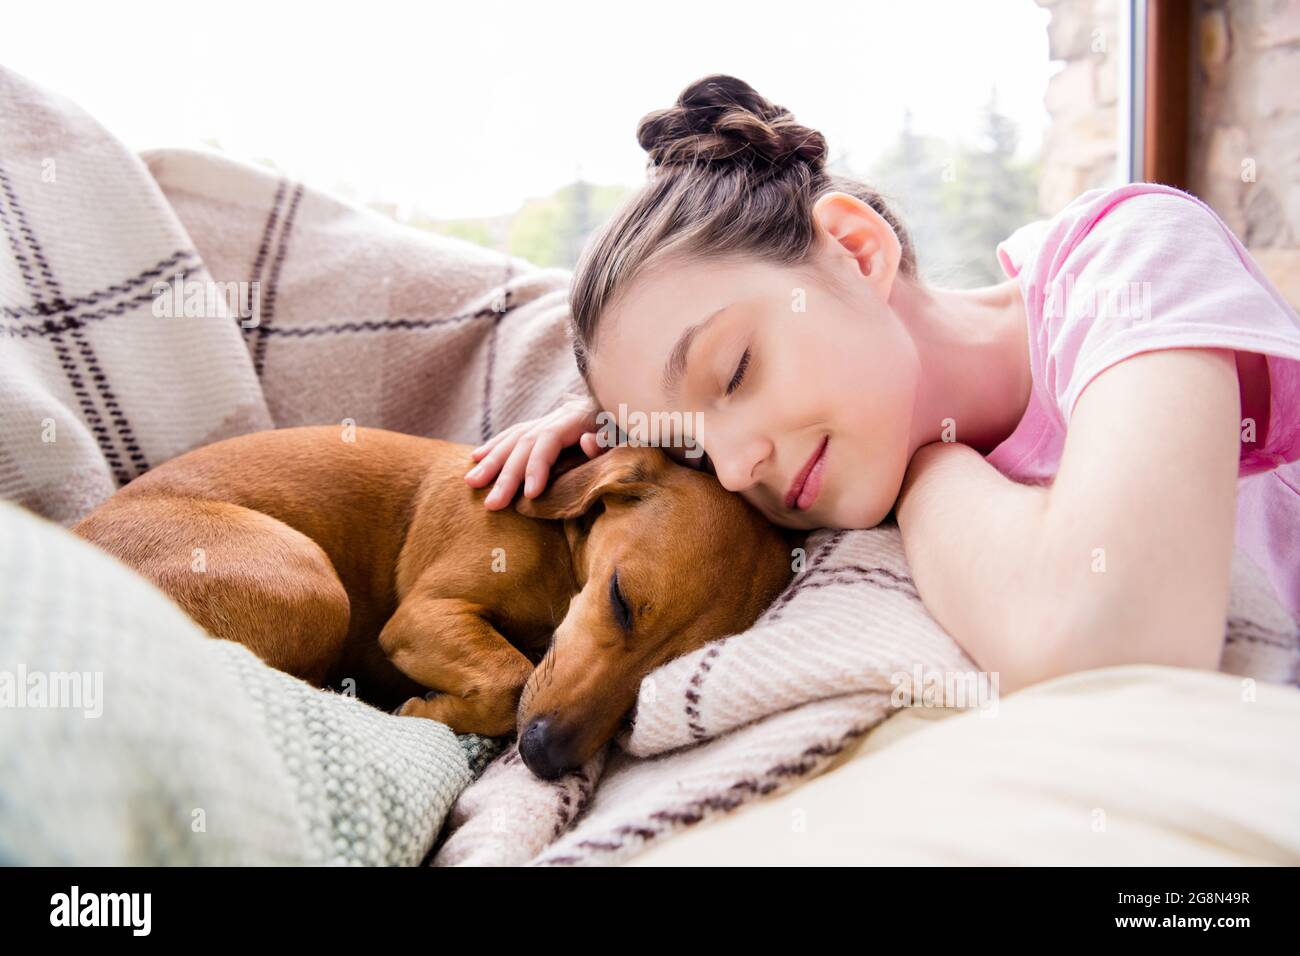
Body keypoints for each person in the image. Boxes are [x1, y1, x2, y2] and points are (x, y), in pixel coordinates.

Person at [463, 74, 1300, 693]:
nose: (734, 471)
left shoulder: (1128, 256)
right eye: (691, 449)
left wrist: (930, 468)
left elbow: (1120, 638)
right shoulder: (816, 464)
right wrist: (620, 437)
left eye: (737, 371)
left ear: (857, 251)